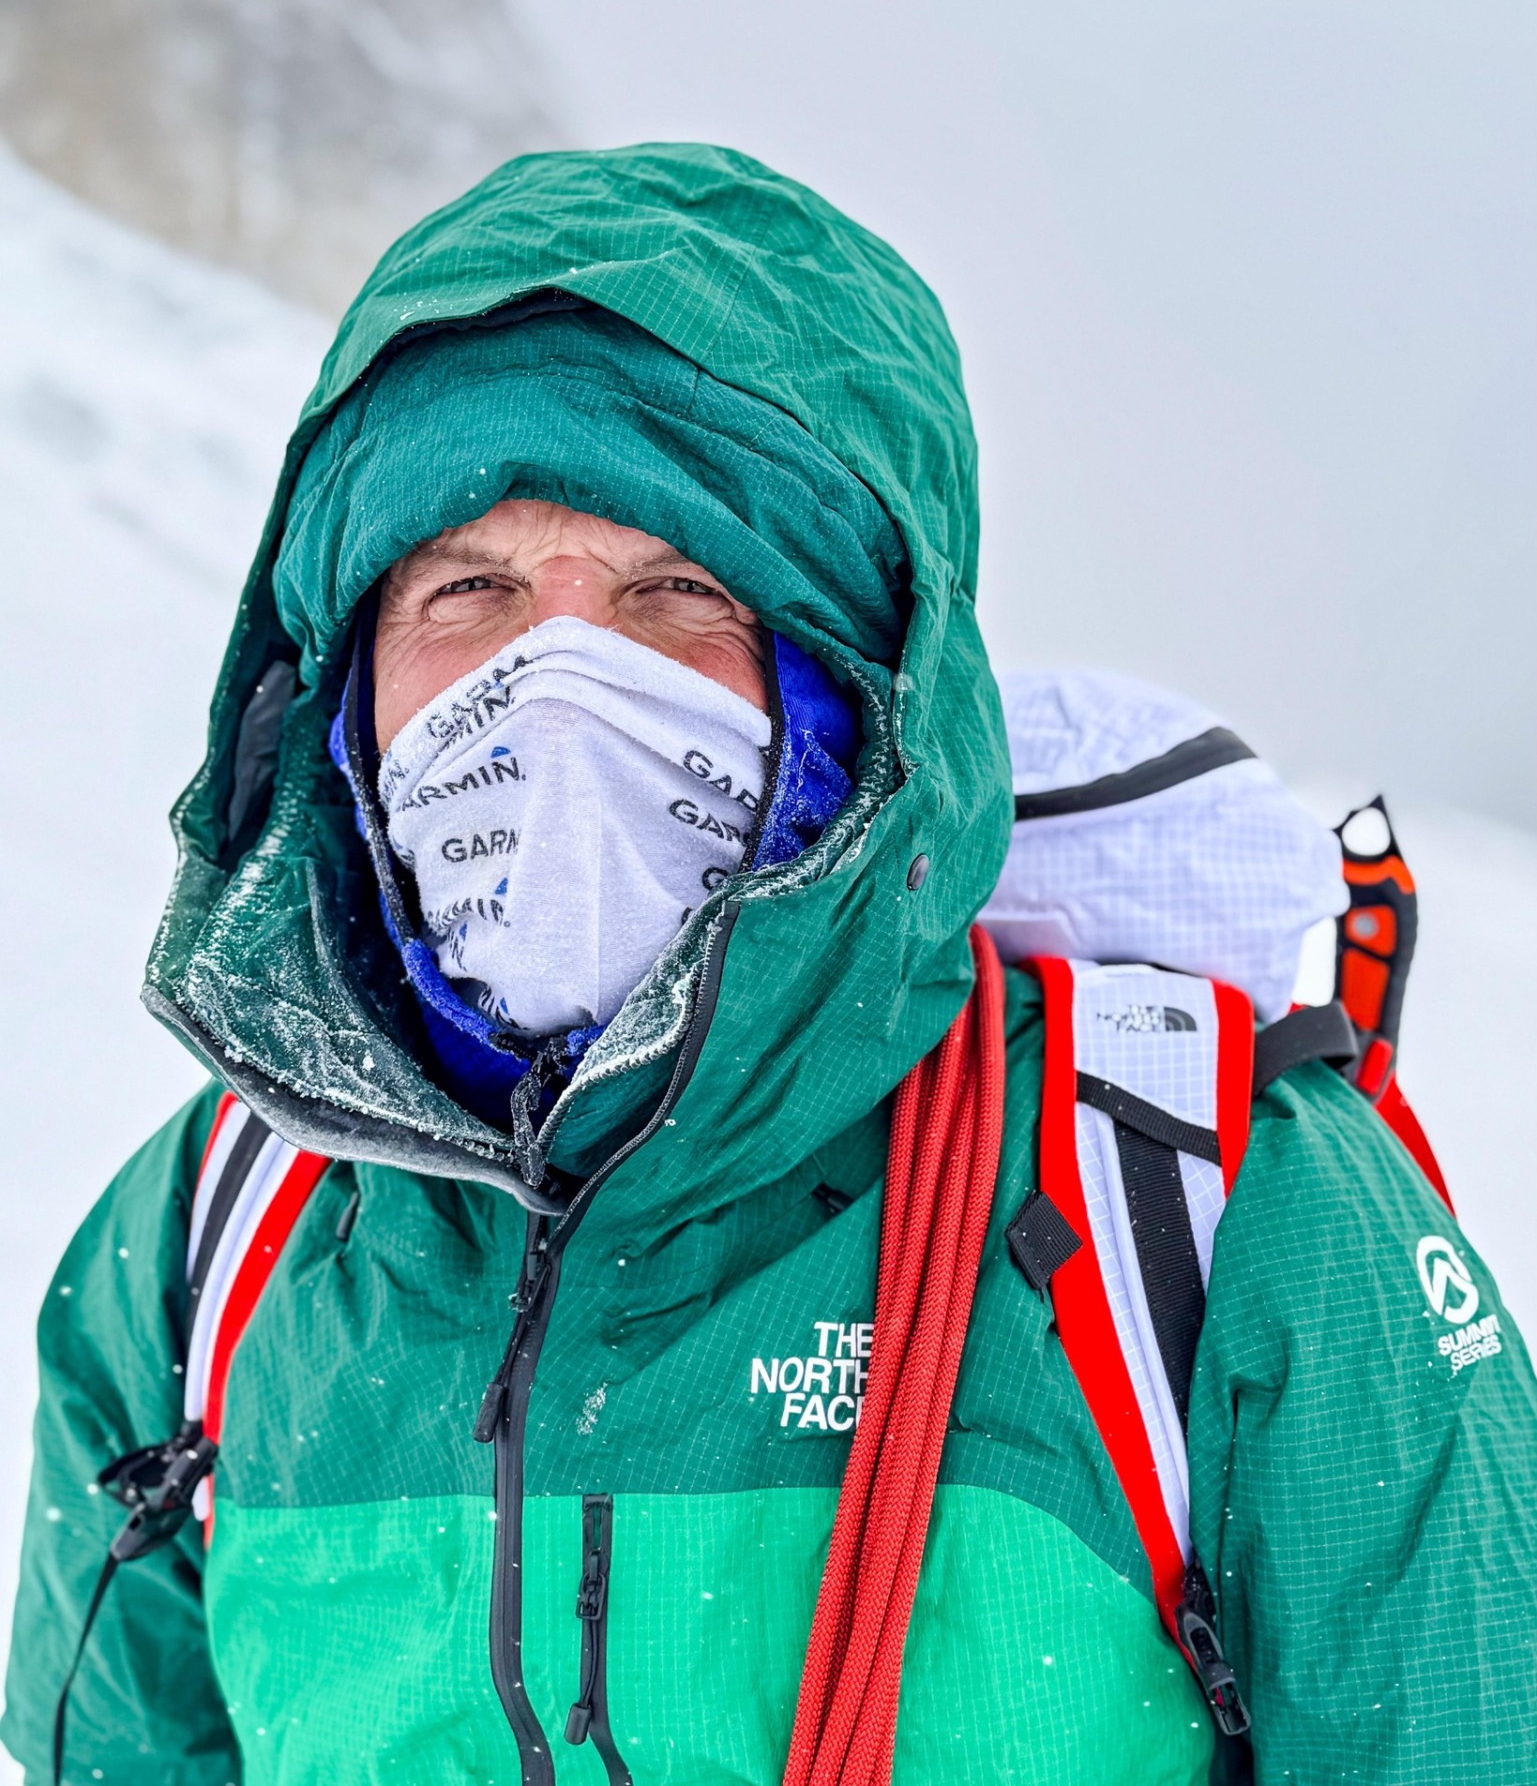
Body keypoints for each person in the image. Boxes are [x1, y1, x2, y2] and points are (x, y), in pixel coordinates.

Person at [5, 145, 1536, 1786]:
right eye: (469, 586)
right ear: (336, 694)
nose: (556, 682)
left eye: (678, 591)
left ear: (860, 687)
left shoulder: (1216, 1214)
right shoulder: (213, 1245)